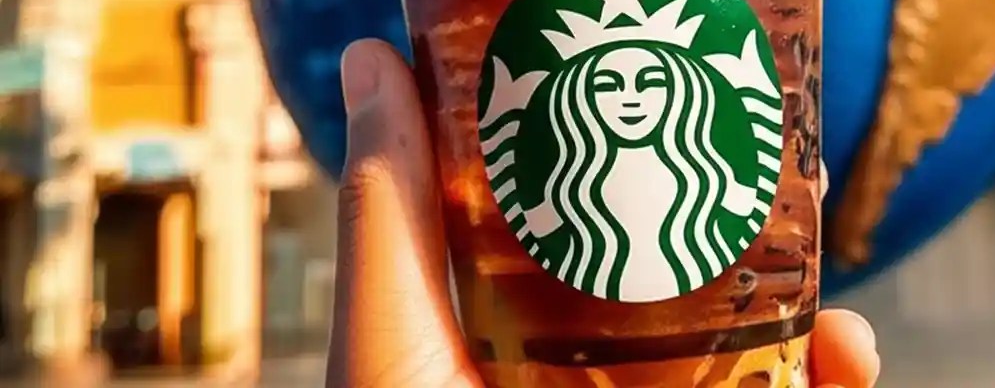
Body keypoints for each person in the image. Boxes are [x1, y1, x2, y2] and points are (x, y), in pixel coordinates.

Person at [325, 38, 882, 387]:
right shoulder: (564, 201)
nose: (631, 98)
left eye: (651, 82)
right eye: (609, 84)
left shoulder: (707, 192)